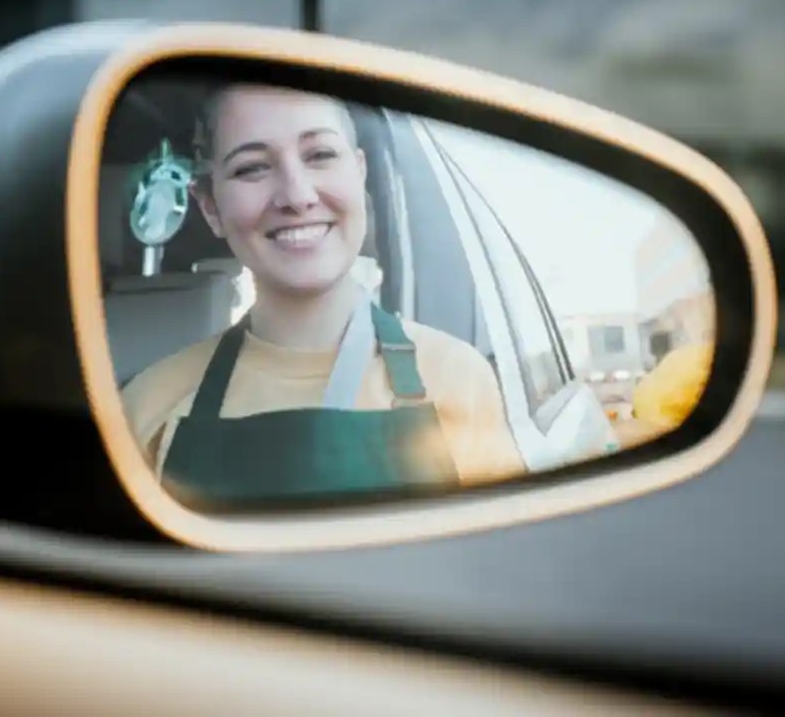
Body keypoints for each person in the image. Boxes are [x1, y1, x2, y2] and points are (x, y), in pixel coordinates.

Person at [119, 82, 526, 506]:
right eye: (252, 167)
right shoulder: (148, 404)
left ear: (360, 173)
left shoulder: (457, 377)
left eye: (320, 155)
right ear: (210, 207)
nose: (297, 196)